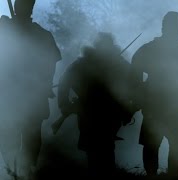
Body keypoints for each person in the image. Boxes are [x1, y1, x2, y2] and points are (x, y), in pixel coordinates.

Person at [130, 11, 178, 176]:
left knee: (172, 145)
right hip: (156, 104)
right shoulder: (153, 49)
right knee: (153, 144)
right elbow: (134, 75)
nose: (174, 29)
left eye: (176, 25)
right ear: (164, 26)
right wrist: (140, 94)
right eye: (172, 25)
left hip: (173, 105)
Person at [57, 32, 134, 178]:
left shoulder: (118, 64)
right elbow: (64, 82)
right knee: (95, 149)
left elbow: (133, 83)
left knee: (104, 147)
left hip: (109, 112)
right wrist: (64, 105)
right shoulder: (84, 64)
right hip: (90, 111)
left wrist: (128, 109)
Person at [0, 0, 61, 178]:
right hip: (9, 94)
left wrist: (45, 83)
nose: (23, 9)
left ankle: (27, 169)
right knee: (9, 135)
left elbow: (51, 62)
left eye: (26, 6)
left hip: (32, 93)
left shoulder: (42, 34)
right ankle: (14, 171)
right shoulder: (5, 27)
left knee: (31, 136)